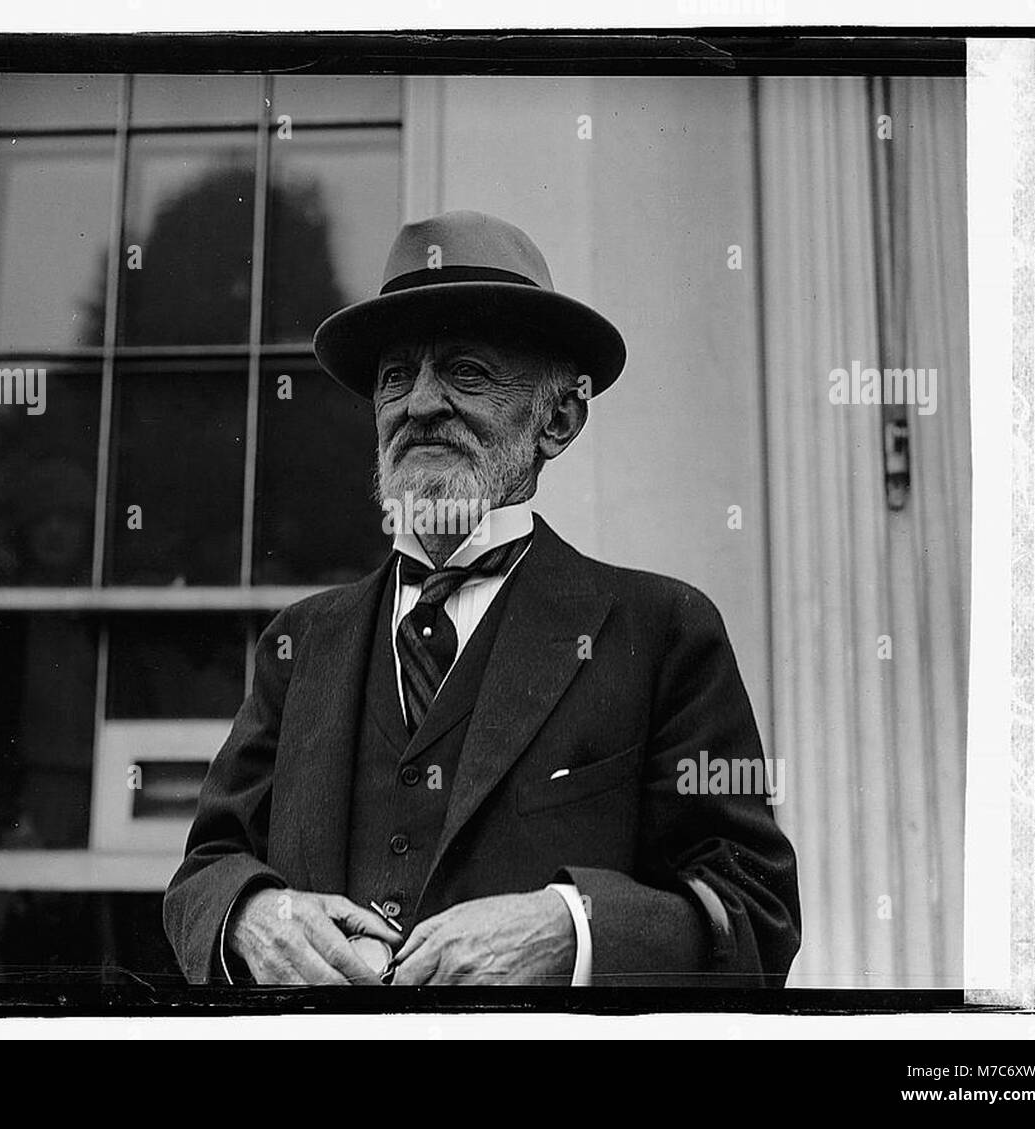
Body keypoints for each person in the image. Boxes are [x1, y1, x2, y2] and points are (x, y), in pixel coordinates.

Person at [164, 210, 800, 986]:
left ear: (558, 418)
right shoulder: (301, 643)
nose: (420, 402)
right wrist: (253, 916)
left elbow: (754, 909)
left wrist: (571, 928)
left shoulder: (662, 631)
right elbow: (205, 872)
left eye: (466, 370)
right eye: (396, 376)